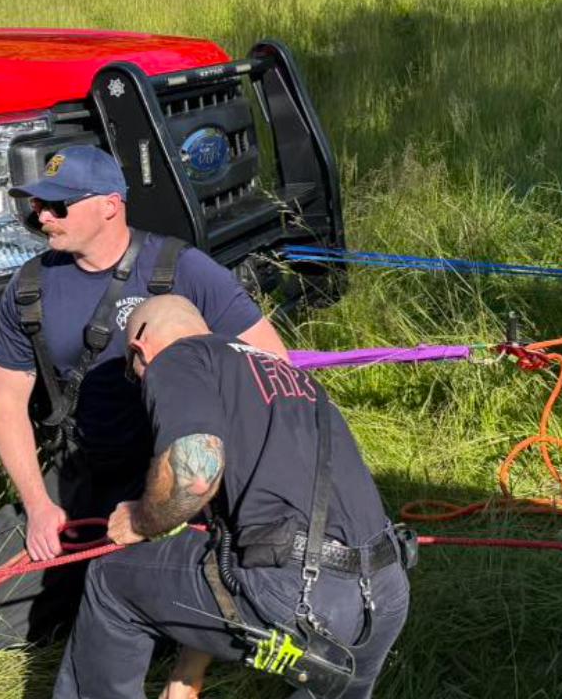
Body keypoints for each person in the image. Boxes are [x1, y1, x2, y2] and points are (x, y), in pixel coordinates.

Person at [0, 144, 289, 650]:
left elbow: (272, 365)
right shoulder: (29, 286)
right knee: (1, 617)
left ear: (109, 205)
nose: (43, 216)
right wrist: (36, 505)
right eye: (37, 205)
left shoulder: (184, 269)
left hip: (168, 466)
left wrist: (216, 478)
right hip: (81, 466)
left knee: (161, 603)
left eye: (58, 205)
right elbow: (7, 402)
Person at [54, 295, 410, 699]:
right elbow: (225, 547)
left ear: (140, 347)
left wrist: (139, 520)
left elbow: (196, 477)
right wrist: (186, 674)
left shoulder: (175, 358)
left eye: (133, 374)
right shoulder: (283, 375)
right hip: (384, 593)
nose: (139, 382)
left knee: (111, 579)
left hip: (298, 593)